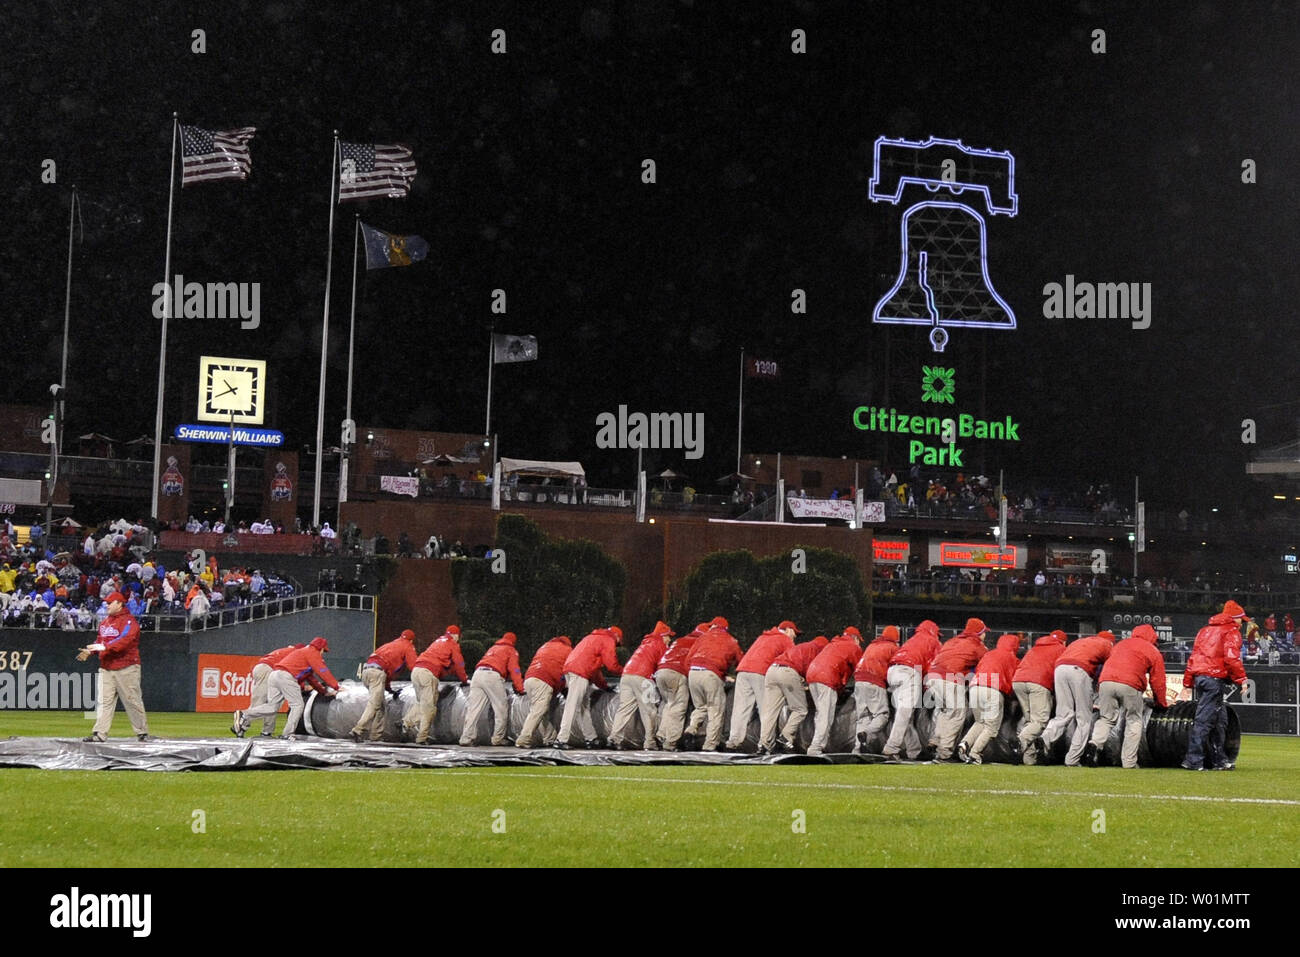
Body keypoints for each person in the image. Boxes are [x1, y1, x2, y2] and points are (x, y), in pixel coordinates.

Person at [1085, 624, 1168, 768]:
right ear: (1152, 637)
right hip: (1130, 684)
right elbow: (1158, 681)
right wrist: (1161, 703)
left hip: (1106, 682)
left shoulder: (1120, 645)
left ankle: (1094, 745)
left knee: (1106, 718)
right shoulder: (1152, 650)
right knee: (1134, 720)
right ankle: (1129, 762)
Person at [1181, 601, 1248, 771]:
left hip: (1201, 678)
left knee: (1220, 720)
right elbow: (1232, 658)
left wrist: (1187, 683)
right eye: (1242, 620)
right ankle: (1193, 760)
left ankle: (1220, 760)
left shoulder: (1204, 631)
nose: (1243, 624)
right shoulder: (1231, 632)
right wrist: (1242, 680)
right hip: (1214, 680)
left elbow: (1193, 658)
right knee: (1204, 721)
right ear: (1235, 619)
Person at [78, 591, 149, 742]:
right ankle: (100, 733)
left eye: (110, 603)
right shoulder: (104, 623)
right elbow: (99, 641)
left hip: (127, 667)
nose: (107, 605)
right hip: (106, 667)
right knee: (104, 701)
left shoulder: (129, 622)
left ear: (119, 603)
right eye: (107, 603)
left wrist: (102, 648)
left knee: (132, 701)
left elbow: (124, 640)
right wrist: (90, 651)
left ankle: (142, 732)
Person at [234, 637, 337, 738]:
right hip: (278, 673)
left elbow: (310, 678)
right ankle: (287, 734)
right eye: (324, 650)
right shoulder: (311, 652)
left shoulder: (299, 653)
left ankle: (245, 714)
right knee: (297, 705)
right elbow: (322, 670)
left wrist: (322, 691)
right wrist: (336, 686)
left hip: (273, 674)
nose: (323, 653)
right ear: (320, 648)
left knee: (272, 707)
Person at [725, 620, 798, 751]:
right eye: (794, 633)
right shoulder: (785, 640)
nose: (795, 636)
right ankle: (765, 744)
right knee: (767, 710)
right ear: (788, 630)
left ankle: (732, 743)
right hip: (760, 672)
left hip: (743, 672)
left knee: (740, 710)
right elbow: (793, 661)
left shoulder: (763, 636)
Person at [1049, 630, 1116, 767]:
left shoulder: (1080, 641)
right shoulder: (1107, 645)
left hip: (1059, 669)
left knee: (1063, 714)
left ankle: (1044, 739)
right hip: (1079, 670)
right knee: (1084, 719)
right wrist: (1096, 699)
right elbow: (1106, 673)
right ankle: (1072, 759)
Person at [925, 618, 988, 762]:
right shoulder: (976, 644)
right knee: (958, 713)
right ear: (979, 633)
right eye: (984, 632)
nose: (985, 635)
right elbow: (987, 662)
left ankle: (935, 740)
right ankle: (944, 752)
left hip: (932, 677)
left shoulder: (952, 641)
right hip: (950, 677)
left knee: (945, 711)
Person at [757, 634, 830, 754]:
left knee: (769, 712)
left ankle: (763, 745)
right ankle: (785, 737)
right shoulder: (817, 649)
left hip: (771, 670)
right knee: (800, 709)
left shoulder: (803, 646)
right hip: (787, 671)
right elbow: (811, 670)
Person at [882, 620, 942, 760]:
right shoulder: (933, 641)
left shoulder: (913, 639)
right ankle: (891, 748)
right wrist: (929, 687)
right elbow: (933, 666)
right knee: (905, 713)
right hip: (909, 671)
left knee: (903, 714)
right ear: (934, 632)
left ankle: (914, 750)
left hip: (892, 672)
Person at [958, 633, 1022, 764]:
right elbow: (1011, 681)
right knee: (991, 728)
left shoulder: (989, 654)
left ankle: (965, 743)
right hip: (992, 689)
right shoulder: (1012, 658)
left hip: (974, 687)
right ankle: (975, 754)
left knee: (979, 722)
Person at [609, 621, 674, 750]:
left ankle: (614, 738)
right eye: (668, 636)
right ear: (663, 636)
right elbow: (664, 666)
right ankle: (650, 742)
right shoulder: (660, 644)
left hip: (626, 675)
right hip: (642, 677)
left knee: (624, 709)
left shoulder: (646, 643)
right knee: (649, 710)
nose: (669, 639)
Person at [556, 625, 623, 749]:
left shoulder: (593, 637)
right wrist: (624, 671)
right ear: (617, 636)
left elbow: (594, 669)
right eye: (618, 642)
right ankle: (561, 739)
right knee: (573, 705)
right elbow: (611, 665)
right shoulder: (608, 639)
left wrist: (604, 686)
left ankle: (591, 738)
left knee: (583, 707)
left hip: (572, 669)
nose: (616, 645)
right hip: (579, 672)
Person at [349, 629, 418, 742]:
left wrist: (389, 690)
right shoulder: (407, 646)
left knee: (381, 706)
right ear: (411, 640)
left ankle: (375, 736)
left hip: (366, 672)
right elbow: (413, 666)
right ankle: (358, 729)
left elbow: (385, 669)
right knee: (374, 704)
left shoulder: (390, 644)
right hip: (377, 673)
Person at [403, 625, 468, 745]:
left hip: (416, 671)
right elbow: (459, 663)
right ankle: (421, 738)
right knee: (429, 708)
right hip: (427, 673)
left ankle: (407, 723)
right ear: (456, 635)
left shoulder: (438, 641)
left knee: (421, 702)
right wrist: (464, 680)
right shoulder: (452, 644)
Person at [805, 627, 864, 756]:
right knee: (825, 715)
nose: (859, 643)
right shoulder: (853, 647)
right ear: (854, 638)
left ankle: (819, 743)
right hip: (826, 677)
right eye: (859, 640)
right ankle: (815, 747)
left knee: (820, 713)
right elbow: (860, 669)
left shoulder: (833, 644)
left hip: (812, 674)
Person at [460, 632, 526, 746]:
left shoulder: (493, 648)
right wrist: (520, 688)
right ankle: (498, 739)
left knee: (473, 709)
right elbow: (515, 670)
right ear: (513, 642)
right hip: (492, 676)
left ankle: (466, 738)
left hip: (477, 674)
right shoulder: (511, 650)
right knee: (501, 708)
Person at [685, 622, 743, 751]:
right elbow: (741, 661)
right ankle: (710, 745)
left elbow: (688, 659)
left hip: (693, 673)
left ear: (712, 626)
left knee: (700, 707)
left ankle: (691, 729)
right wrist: (724, 674)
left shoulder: (702, 637)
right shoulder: (731, 640)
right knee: (715, 710)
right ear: (726, 628)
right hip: (711, 674)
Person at [1012, 629, 1067, 764]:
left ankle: (1029, 760)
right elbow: (1059, 673)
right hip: (1038, 682)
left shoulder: (1036, 647)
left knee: (1030, 722)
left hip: (1018, 680)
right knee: (1040, 722)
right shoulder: (1060, 649)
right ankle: (1020, 741)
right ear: (1063, 641)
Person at [515, 634, 573, 748]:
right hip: (543, 680)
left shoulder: (545, 646)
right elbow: (567, 670)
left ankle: (550, 738)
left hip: (529, 678)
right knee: (538, 711)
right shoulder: (567, 649)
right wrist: (564, 688)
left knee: (543, 712)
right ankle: (523, 738)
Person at [852, 625, 901, 751]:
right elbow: (896, 669)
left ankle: (858, 748)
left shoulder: (872, 645)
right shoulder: (893, 647)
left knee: (863, 717)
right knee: (882, 715)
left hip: (858, 680)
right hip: (874, 681)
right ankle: (866, 734)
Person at [654, 625, 702, 751]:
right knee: (678, 707)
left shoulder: (680, 640)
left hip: (660, 671)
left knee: (668, 704)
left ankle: (661, 735)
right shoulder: (700, 641)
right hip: (676, 672)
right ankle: (671, 742)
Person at [247, 643, 306, 737]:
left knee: (270, 703)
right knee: (268, 704)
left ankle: (266, 731)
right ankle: (243, 719)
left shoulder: (286, 650)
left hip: (260, 667)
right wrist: (302, 687)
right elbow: (291, 670)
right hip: (269, 669)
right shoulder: (296, 654)